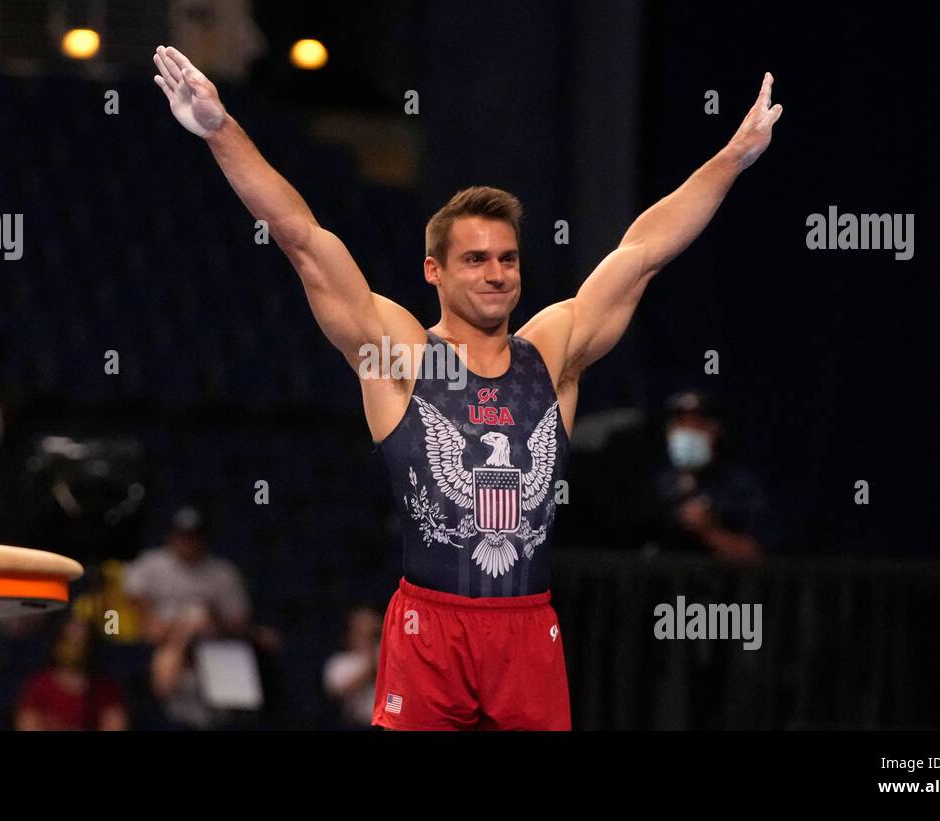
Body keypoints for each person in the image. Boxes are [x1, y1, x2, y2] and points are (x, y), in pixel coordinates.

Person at [151, 45, 783, 730]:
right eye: (476, 259)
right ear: (434, 271)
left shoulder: (551, 352)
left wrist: (731, 159)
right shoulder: (401, 354)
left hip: (525, 628)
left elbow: (643, 253)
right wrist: (221, 130)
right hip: (430, 629)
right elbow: (302, 237)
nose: (496, 273)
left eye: (508, 258)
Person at [123, 504, 254, 728]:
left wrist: (211, 616)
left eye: (194, 537)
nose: (188, 542)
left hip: (213, 644)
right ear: (171, 536)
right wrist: (163, 624)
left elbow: (238, 623)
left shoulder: (222, 573)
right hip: (164, 640)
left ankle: (231, 719)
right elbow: (136, 603)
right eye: (183, 536)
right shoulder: (151, 564)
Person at [651, 390, 771, 560]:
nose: (689, 433)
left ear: (716, 430)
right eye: (681, 424)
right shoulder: (655, 485)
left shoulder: (738, 486)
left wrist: (708, 530)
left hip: (720, 583)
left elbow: (756, 555)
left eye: (698, 425)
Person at [14, 616, 128, 731]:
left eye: (81, 641)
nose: (75, 649)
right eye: (69, 641)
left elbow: (115, 723)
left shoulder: (105, 688)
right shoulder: (40, 685)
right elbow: (27, 724)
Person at [323, 605, 383, 729]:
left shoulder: (391, 659)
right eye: (361, 631)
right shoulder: (340, 662)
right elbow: (340, 693)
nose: (366, 637)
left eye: (373, 633)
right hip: (355, 725)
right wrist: (373, 667)